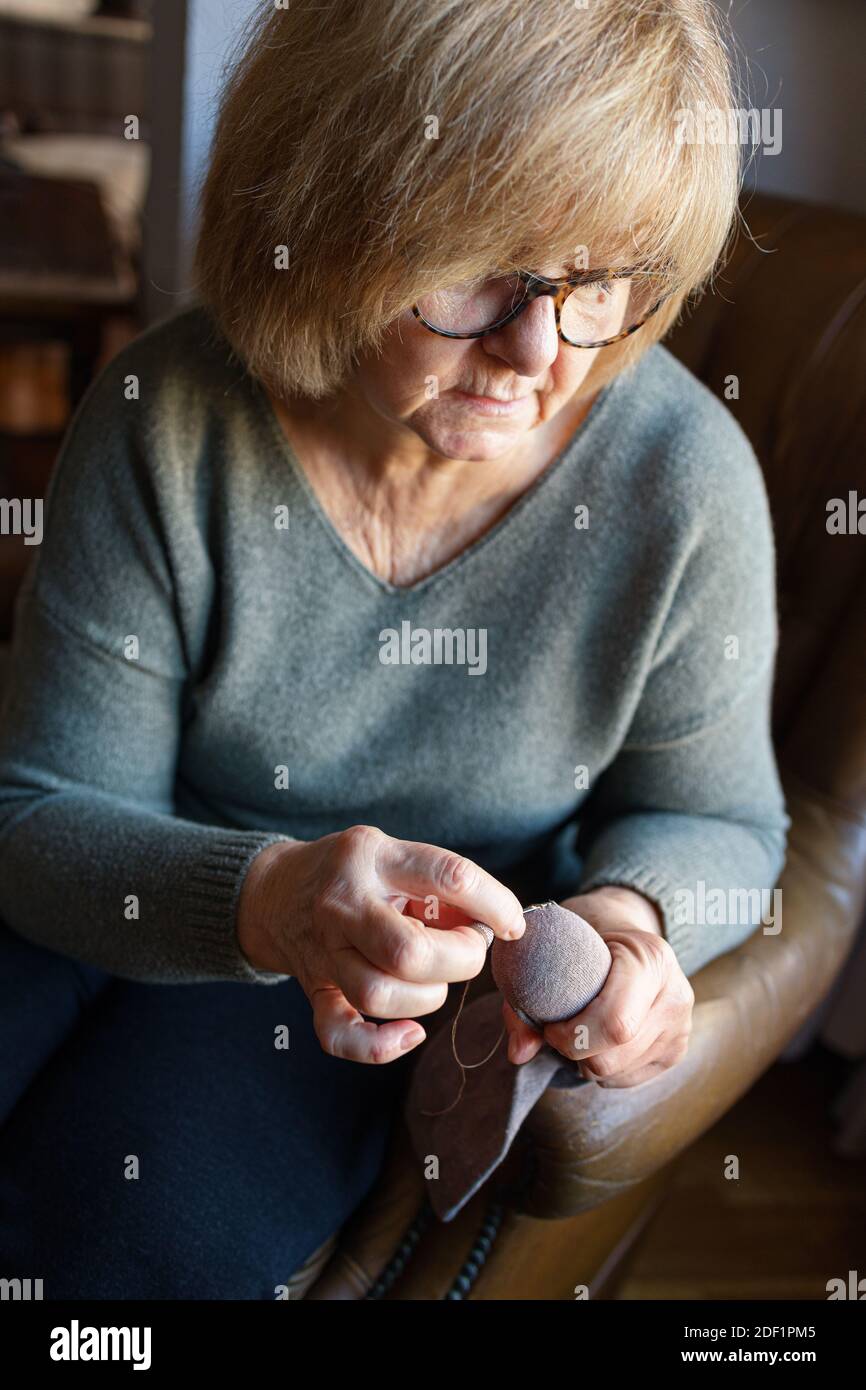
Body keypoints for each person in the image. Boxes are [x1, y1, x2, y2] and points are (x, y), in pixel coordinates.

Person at [0, 0, 789, 1298]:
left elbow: (722, 818)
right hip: (138, 875)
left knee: (121, 1253)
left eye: (598, 280)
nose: (539, 353)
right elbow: (43, 821)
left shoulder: (678, 479)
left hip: (372, 998)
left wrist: (630, 920)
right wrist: (268, 896)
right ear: (322, 213)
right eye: (482, 269)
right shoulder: (171, 415)